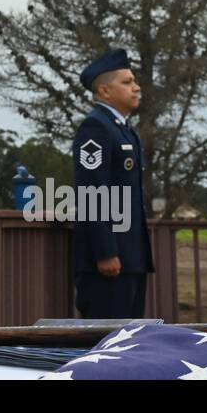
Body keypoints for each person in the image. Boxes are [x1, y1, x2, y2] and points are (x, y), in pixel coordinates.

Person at [70, 48, 155, 319]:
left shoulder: (123, 130)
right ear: (105, 91)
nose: (136, 87)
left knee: (129, 346)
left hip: (130, 260)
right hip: (107, 263)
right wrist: (105, 251)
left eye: (134, 81)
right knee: (106, 347)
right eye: (127, 82)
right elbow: (91, 192)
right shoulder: (95, 129)